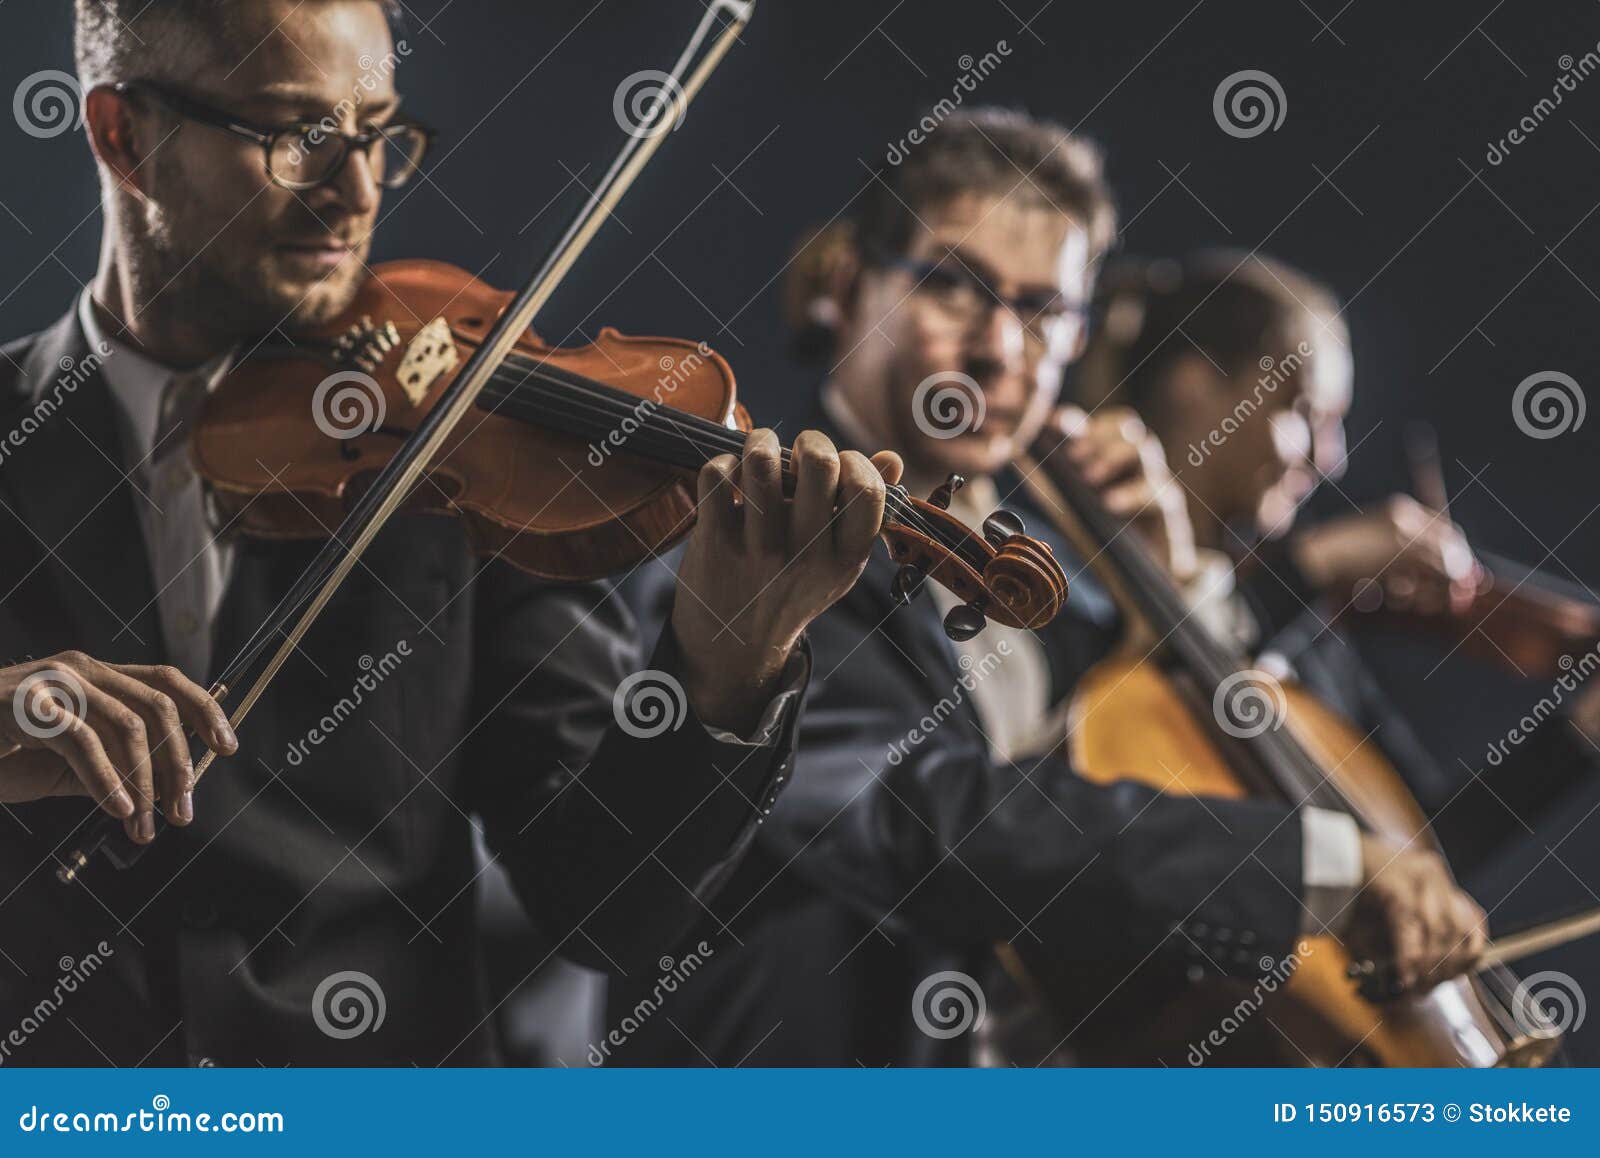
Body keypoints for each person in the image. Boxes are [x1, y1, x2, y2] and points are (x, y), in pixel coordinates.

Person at [0, 0, 896, 1065]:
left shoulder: (458, 451)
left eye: (379, 136)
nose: (358, 192)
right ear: (121, 134)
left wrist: (727, 660)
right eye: (300, 139)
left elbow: (602, 907)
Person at [605, 108, 1490, 1067]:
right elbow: (906, 818)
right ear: (853, 285)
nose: (1002, 347)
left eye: (1044, 309)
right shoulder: (753, 540)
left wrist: (1172, 571)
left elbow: (1177, 761)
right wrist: (1317, 868)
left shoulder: (1068, 569)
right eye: (953, 287)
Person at [1069, 249, 1600, 874]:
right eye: (1302, 413)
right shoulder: (1077, 570)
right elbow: (1158, 662)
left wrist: (1578, 737)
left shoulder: (1304, 627)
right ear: (1196, 385)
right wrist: (1317, 564)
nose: (1331, 458)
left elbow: (1412, 851)